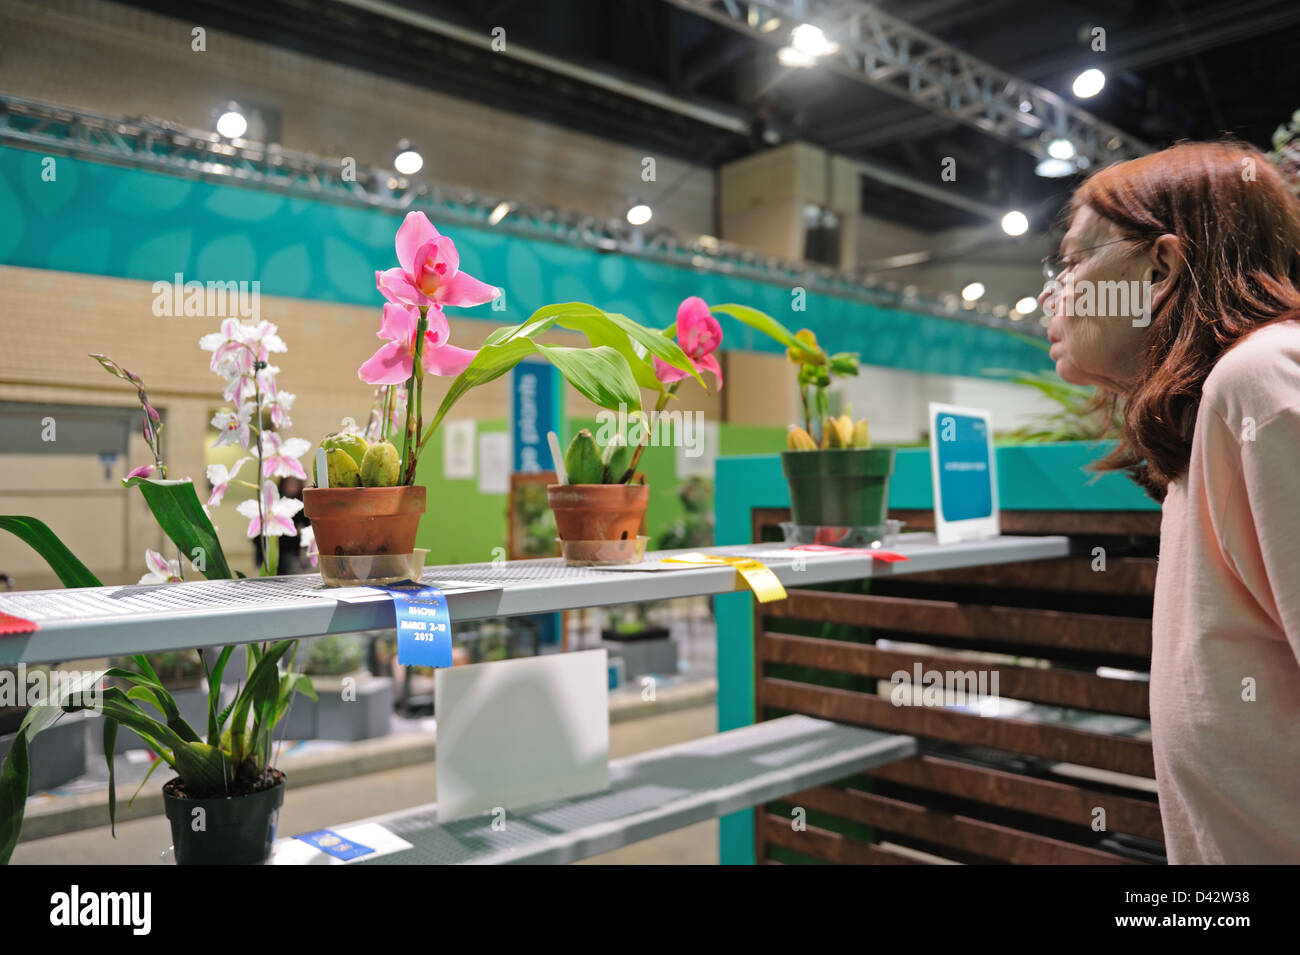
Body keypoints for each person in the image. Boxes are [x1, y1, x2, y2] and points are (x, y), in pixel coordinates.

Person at [1038, 141, 1300, 863]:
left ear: (1159, 270)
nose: (1051, 295)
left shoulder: (1260, 378)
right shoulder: (1214, 413)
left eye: (1071, 263)